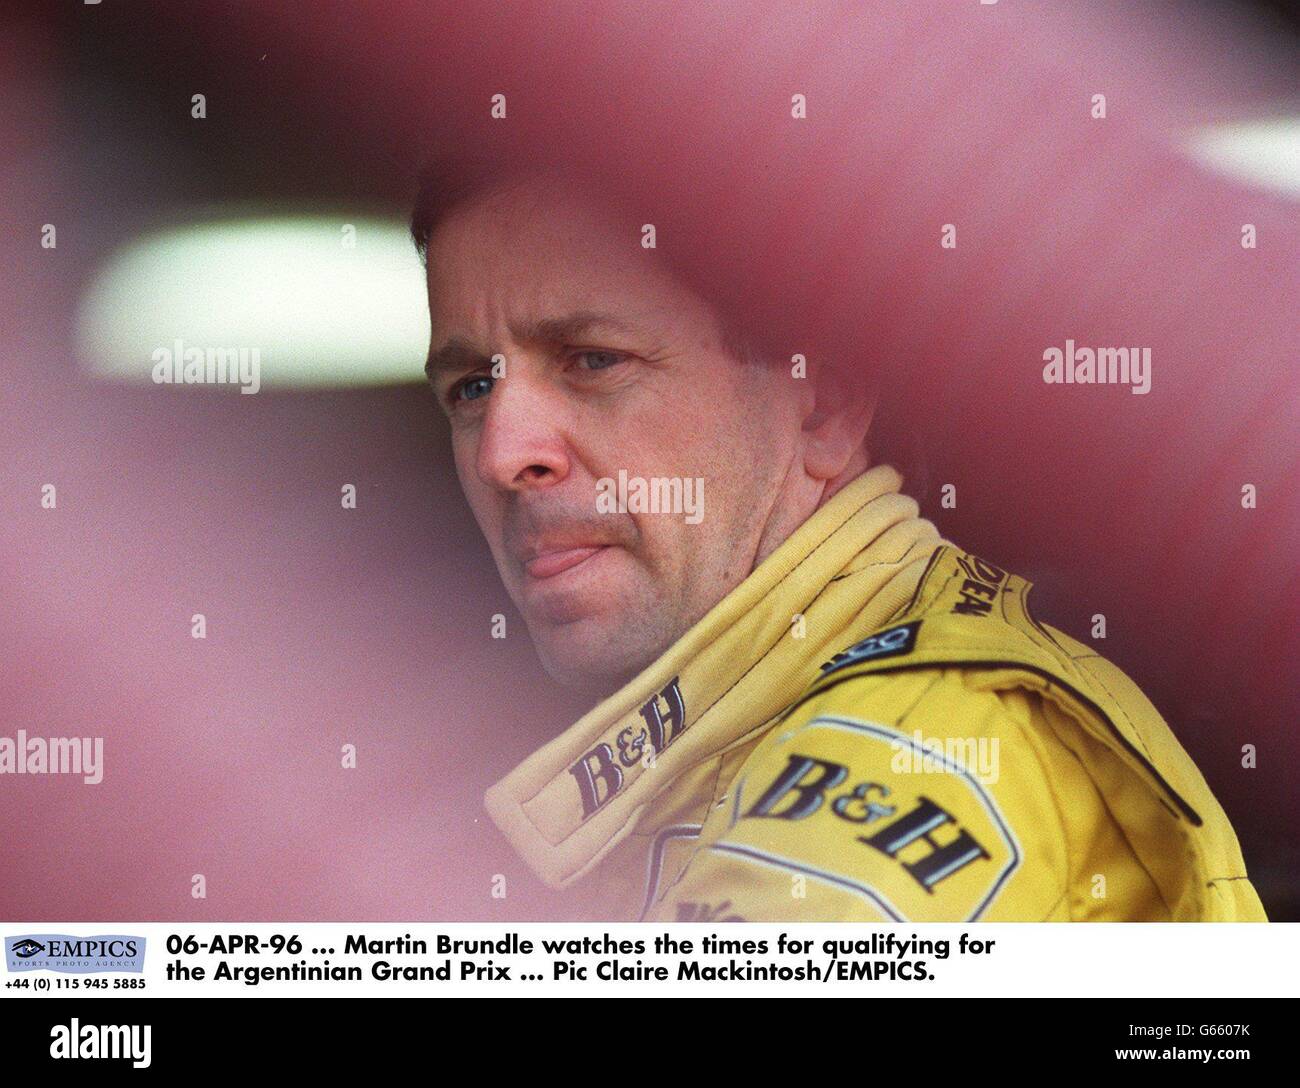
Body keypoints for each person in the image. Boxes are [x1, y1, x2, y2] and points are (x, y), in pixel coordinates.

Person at [412, 166, 1265, 922]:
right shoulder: (733, 742)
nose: (500, 452)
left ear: (820, 405)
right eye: (471, 387)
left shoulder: (909, 750)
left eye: (594, 360)